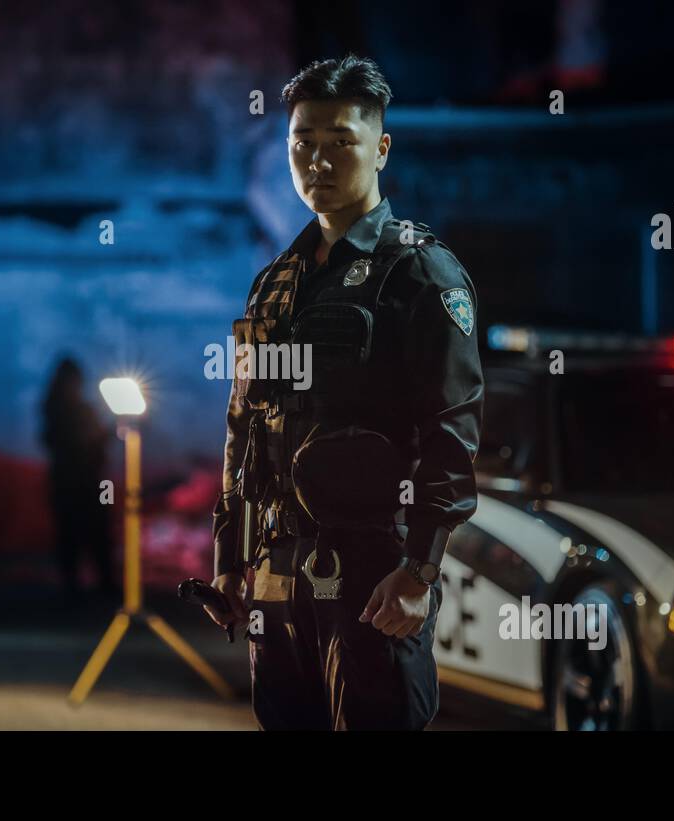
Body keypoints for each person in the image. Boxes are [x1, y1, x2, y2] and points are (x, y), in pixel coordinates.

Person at [207, 55, 484, 730]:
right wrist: (230, 559)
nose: (318, 161)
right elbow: (246, 423)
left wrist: (421, 569)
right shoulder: (276, 281)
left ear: (381, 147)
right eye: (304, 142)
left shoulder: (419, 272)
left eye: (340, 142)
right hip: (279, 567)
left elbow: (454, 425)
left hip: (372, 570)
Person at [41, 356, 117, 603]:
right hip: (75, 484)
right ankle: (85, 588)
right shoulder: (60, 411)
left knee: (88, 537)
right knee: (77, 537)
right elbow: (80, 443)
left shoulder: (57, 410)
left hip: (79, 483)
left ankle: (91, 587)